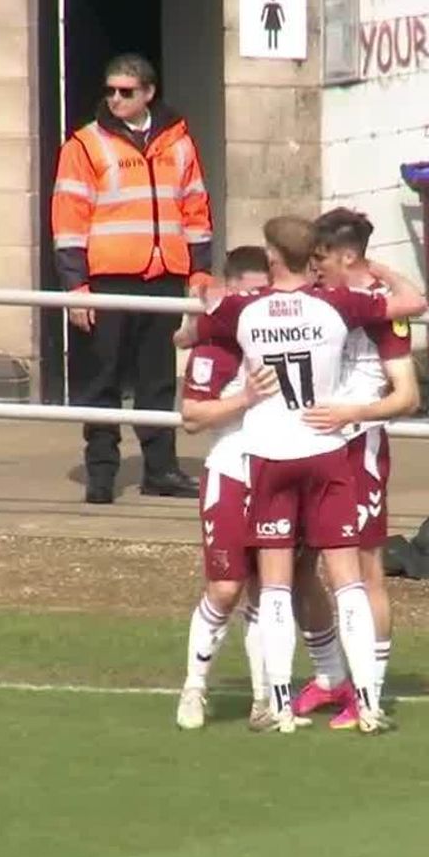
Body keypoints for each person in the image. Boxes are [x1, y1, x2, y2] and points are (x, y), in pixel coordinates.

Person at [193, 216, 426, 734]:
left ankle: (278, 704)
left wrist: (201, 293)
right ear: (310, 258)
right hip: (326, 449)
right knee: (345, 581)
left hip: (272, 454)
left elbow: (199, 315)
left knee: (274, 585)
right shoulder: (336, 305)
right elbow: (412, 301)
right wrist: (376, 271)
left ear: (272, 257)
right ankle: (366, 701)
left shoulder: (243, 309)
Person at [52, 53, 212, 505]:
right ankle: (101, 472)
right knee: (100, 379)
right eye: (110, 91)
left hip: (163, 276)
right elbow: (68, 218)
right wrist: (75, 286)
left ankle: (161, 469)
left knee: (157, 380)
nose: (115, 99)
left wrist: (200, 270)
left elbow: (196, 208)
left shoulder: (178, 142)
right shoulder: (84, 145)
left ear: (148, 93)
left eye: (126, 91)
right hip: (106, 278)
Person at [290, 208, 421, 729]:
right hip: (306, 445)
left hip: (356, 449)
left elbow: (407, 396)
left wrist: (354, 413)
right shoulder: (325, 302)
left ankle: (371, 689)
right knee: (299, 565)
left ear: (346, 256)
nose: (313, 267)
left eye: (320, 258)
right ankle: (329, 677)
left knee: (367, 573)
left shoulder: (383, 311)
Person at [173, 246, 278, 730]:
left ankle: (265, 697)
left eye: (264, 291)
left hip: (278, 473)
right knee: (226, 586)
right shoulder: (215, 347)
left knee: (267, 590)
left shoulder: (282, 336)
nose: (255, 302)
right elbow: (192, 416)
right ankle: (194, 687)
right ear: (231, 289)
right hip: (230, 473)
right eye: (248, 291)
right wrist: (246, 398)